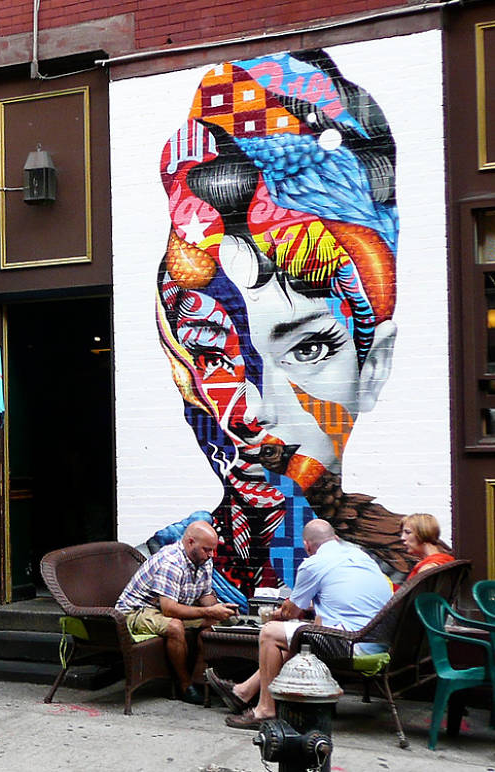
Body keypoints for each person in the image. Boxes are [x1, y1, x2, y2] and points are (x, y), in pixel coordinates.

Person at [150, 51, 414, 602]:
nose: (251, 408)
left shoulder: (386, 563)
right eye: (213, 349)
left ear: (374, 364)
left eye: (310, 347)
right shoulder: (175, 556)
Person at [205, 520, 392, 728]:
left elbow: (290, 612)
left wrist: (276, 614)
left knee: (270, 633)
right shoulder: (361, 557)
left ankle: (265, 711)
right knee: (296, 640)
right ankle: (242, 692)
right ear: (336, 539)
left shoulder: (314, 564)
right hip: (377, 642)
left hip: (351, 645)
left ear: (307, 545)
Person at [114, 520, 238, 704]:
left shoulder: (203, 559)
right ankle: (184, 684)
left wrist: (220, 610)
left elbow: (205, 596)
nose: (211, 555)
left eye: (213, 550)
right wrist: (209, 610)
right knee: (175, 627)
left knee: (213, 624)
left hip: (162, 608)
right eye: (207, 549)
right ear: (190, 542)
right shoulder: (171, 561)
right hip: (136, 611)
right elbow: (169, 609)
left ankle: (199, 678)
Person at [400, 513, 454, 581]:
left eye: (408, 532)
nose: (402, 538)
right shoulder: (447, 561)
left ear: (423, 533)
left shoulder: (428, 569)